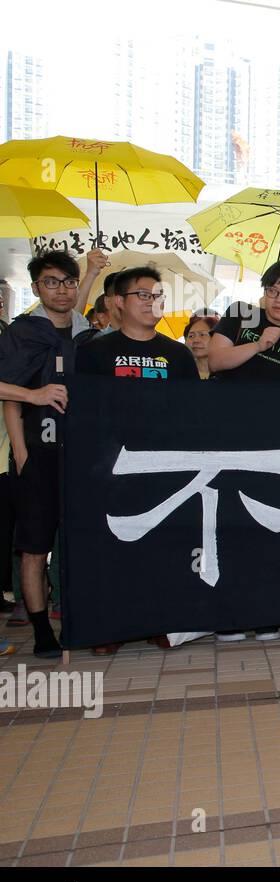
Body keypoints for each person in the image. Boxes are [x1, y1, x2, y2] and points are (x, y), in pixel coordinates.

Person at [76, 266, 201, 653]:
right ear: (118, 302)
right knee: (113, 547)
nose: (153, 302)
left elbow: (191, 414)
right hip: (112, 469)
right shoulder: (95, 353)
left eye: (158, 295)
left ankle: (160, 621)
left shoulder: (177, 355)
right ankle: (110, 627)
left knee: (163, 548)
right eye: (143, 295)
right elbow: (85, 415)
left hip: (165, 468)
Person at [0, 252, 78, 659]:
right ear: (35, 288)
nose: (61, 290)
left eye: (68, 282)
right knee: (34, 547)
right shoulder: (22, 333)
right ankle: (41, 629)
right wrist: (22, 451)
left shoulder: (83, 335)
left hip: (81, 460)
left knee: (80, 542)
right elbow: (6, 390)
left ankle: (79, 618)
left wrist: (96, 268)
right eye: (51, 282)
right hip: (38, 459)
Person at [208, 259, 280, 380]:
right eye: (272, 290)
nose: (278, 299)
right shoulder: (241, 312)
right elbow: (214, 362)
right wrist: (257, 346)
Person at [183, 312, 217, 380]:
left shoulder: (229, 374)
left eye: (202, 335)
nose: (196, 340)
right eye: (191, 336)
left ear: (217, 337)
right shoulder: (179, 372)